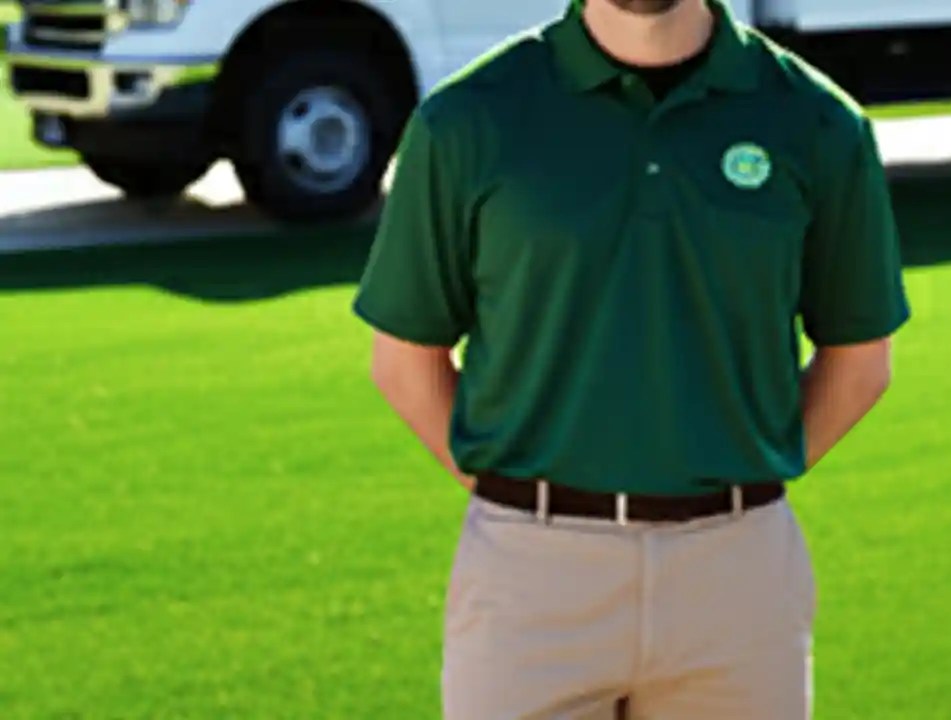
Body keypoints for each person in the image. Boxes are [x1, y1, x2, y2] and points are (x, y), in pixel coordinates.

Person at [351, 0, 910, 716]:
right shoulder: (467, 121)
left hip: (737, 578)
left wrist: (731, 472)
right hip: (530, 577)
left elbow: (860, 360)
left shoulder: (818, 123)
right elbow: (404, 358)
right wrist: (526, 498)